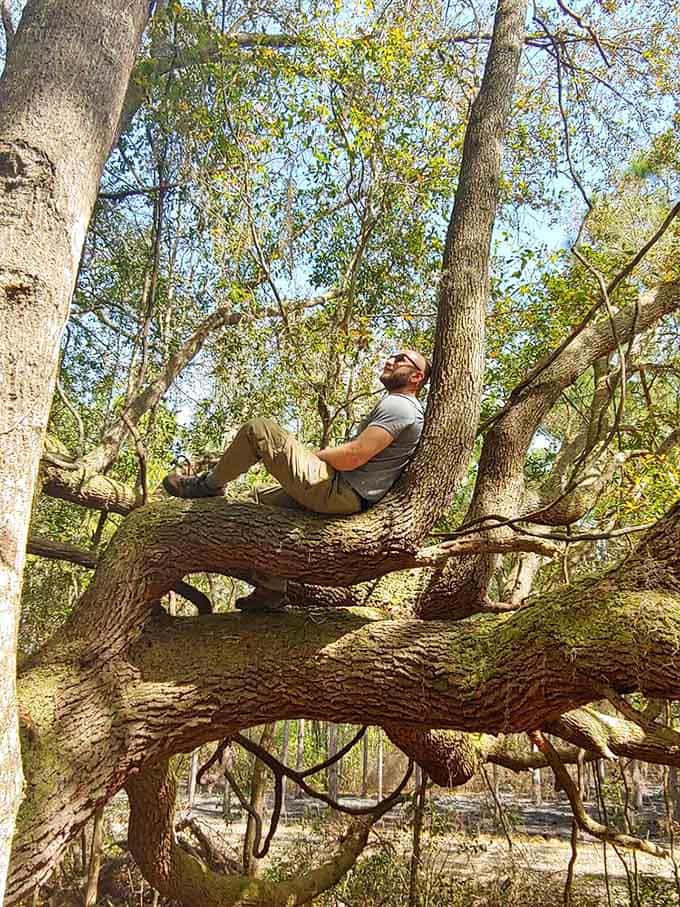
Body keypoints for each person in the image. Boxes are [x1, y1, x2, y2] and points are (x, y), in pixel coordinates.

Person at [162, 349, 431, 609]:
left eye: (400, 359)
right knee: (255, 501)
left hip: (342, 490)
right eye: (392, 356)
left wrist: (314, 457)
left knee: (259, 430)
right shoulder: (403, 407)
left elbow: (354, 456)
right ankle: (271, 590)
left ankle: (206, 486)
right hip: (347, 491)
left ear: (416, 377)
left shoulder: (401, 405)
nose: (391, 360)